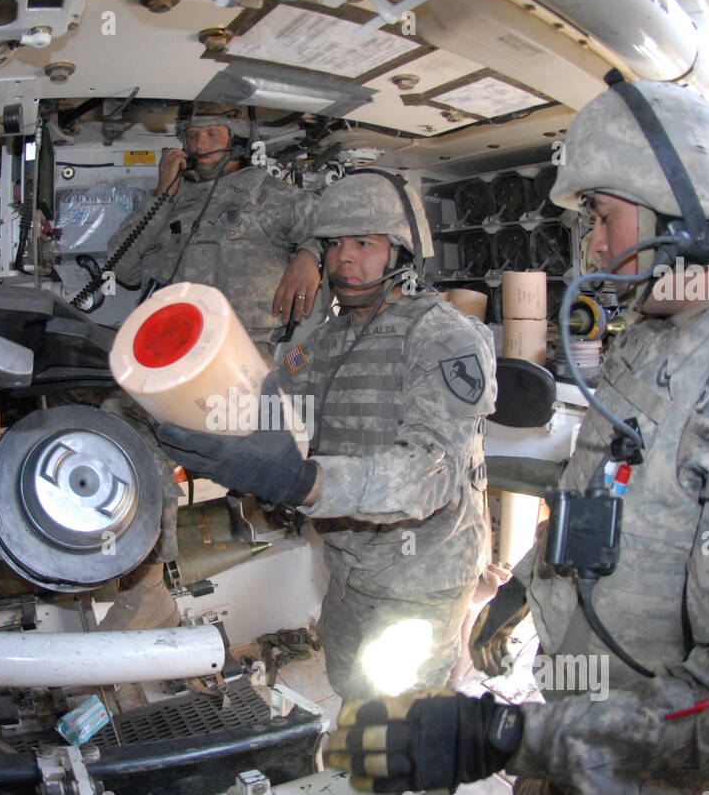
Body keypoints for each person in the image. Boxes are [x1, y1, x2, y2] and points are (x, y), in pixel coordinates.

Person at [325, 76, 709, 795]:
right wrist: (524, 582)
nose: (594, 246)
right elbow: (607, 483)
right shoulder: (667, 320)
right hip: (580, 686)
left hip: (633, 739)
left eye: (603, 216)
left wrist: (503, 734)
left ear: (675, 215)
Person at [154, 171, 497, 702]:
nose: (343, 258)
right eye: (334, 243)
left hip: (422, 577)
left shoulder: (444, 335)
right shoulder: (325, 341)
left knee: (400, 716)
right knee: (348, 685)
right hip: (349, 565)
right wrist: (205, 421)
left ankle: (415, 780)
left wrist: (307, 481)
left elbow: (431, 473)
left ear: (403, 253)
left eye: (363, 243)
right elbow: (272, 395)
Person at [107, 104, 323, 360]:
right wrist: (162, 194)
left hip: (241, 351)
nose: (199, 144)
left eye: (212, 133)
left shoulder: (268, 193)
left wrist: (310, 255)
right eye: (192, 135)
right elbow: (121, 268)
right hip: (166, 350)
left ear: (239, 139)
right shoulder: (169, 199)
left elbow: (336, 228)